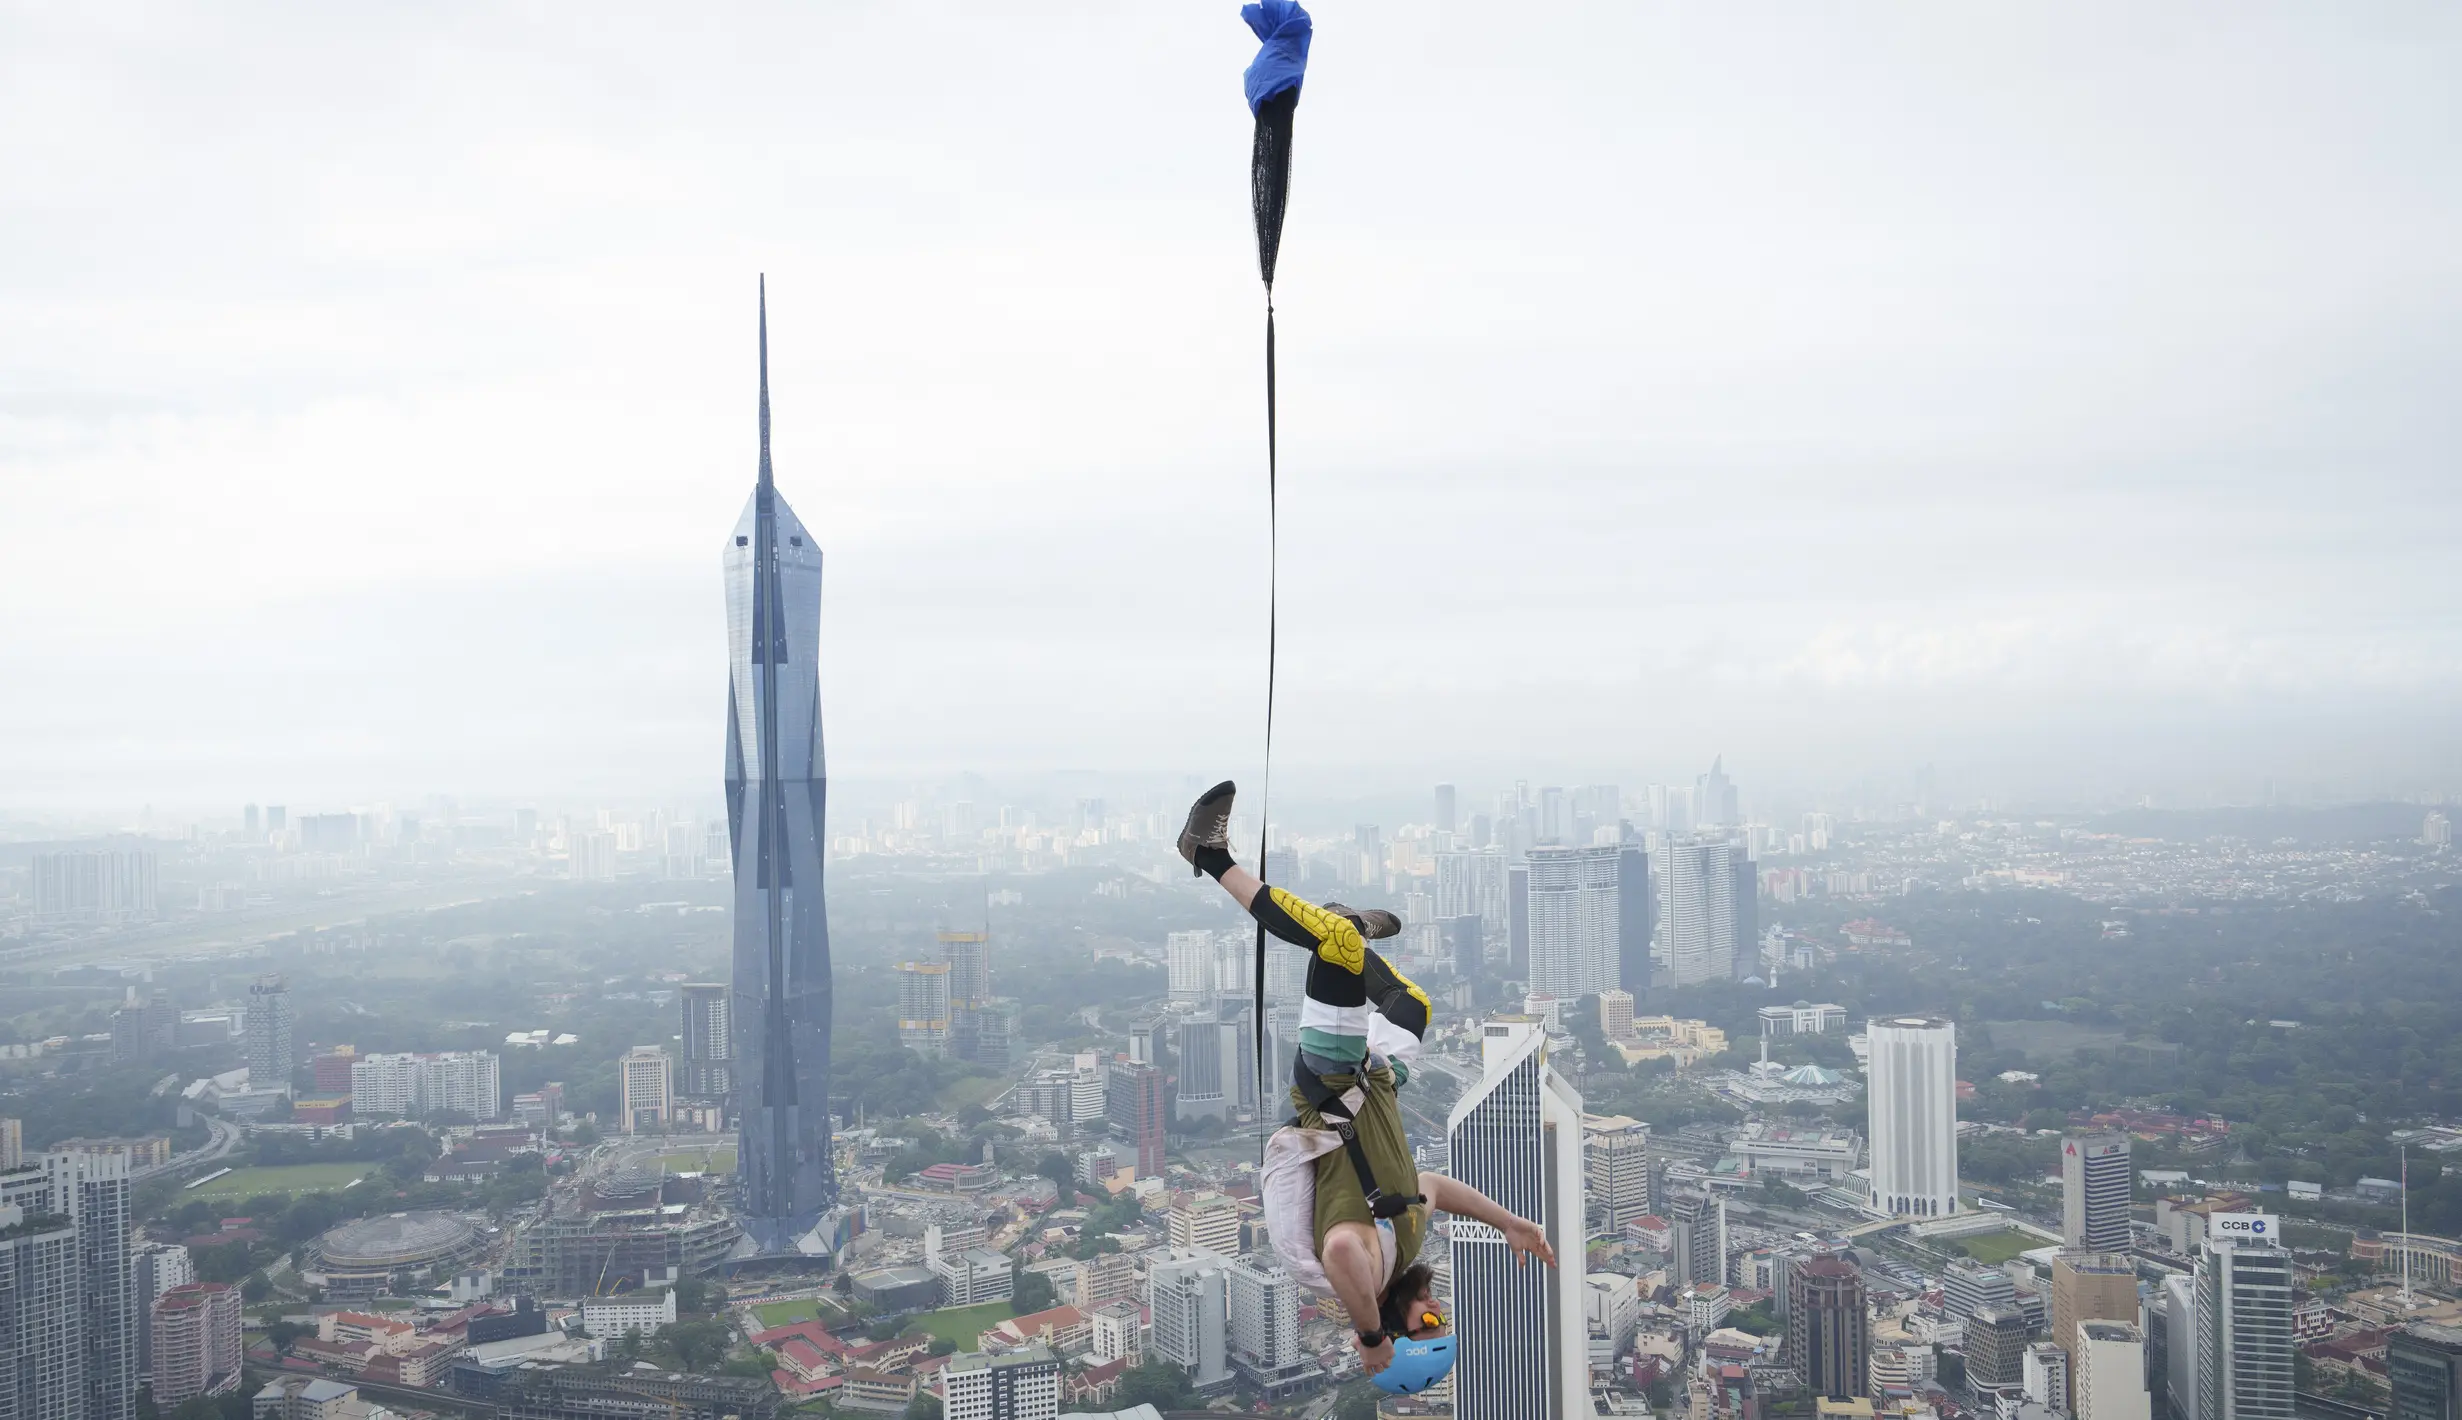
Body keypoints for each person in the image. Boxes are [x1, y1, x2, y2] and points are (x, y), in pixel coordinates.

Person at [1177, 779, 1558, 1386]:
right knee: (1412, 1006)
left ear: (1401, 1327)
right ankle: (1345, 932)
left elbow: (1340, 1252)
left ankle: (1206, 854)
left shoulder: (1368, 1268)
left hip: (1332, 1083)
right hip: (1375, 1083)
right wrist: (1508, 1221)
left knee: (1337, 943)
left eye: (1428, 1322)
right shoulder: (1401, 1246)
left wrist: (1370, 1337)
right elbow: (1433, 1186)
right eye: (1443, 1317)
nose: (1438, 1309)